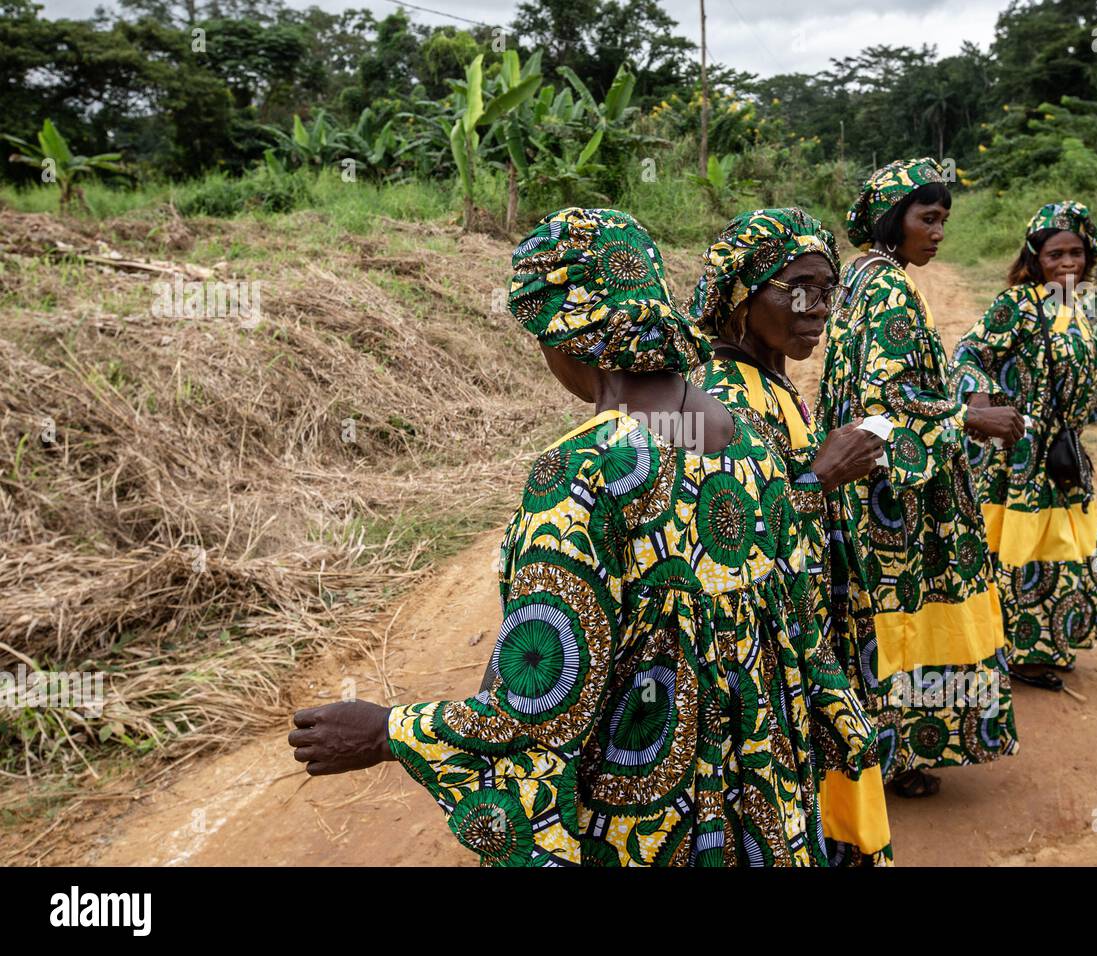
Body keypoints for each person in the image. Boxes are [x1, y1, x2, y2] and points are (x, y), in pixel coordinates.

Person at [287, 207, 875, 866]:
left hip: (649, 831)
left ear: (564, 336)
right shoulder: (753, 442)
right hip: (762, 820)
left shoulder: (585, 472)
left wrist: (386, 732)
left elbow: (540, 707)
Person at [688, 206, 892, 865]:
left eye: (828, 291)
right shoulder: (723, 399)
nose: (819, 308)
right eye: (799, 288)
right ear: (741, 296)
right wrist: (819, 481)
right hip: (765, 652)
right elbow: (726, 546)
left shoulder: (769, 377)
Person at [818, 158, 1025, 799]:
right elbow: (890, 400)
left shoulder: (861, 277)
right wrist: (971, 417)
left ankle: (867, 744)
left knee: (872, 614)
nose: (938, 232)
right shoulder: (890, 289)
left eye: (944, 220)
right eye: (926, 218)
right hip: (894, 490)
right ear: (892, 219)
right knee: (905, 611)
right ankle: (896, 750)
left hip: (864, 476)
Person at [949, 200, 1097, 689]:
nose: (1068, 264)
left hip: (1063, 453)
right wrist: (981, 397)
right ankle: (1019, 652)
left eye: (1076, 253)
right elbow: (970, 350)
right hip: (1018, 454)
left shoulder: (1086, 309)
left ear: (1089, 257)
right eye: (1056, 254)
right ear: (1035, 257)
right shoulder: (1017, 306)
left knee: (1061, 543)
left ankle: (1048, 641)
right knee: (1021, 546)